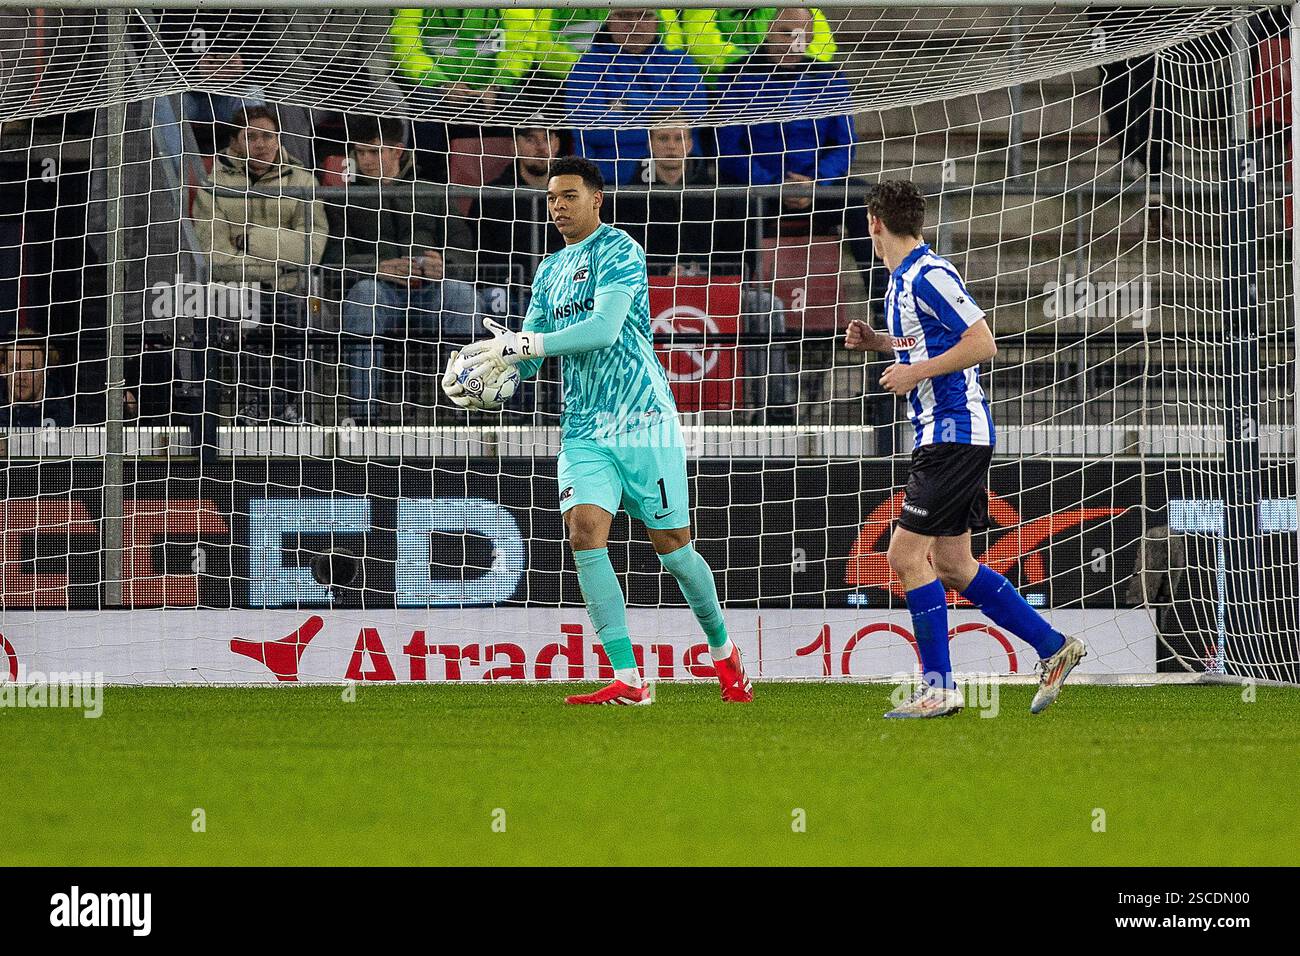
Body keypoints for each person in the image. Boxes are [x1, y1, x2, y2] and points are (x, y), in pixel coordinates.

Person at [446, 156, 752, 706]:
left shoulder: (621, 251)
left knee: (674, 550)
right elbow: (533, 356)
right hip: (585, 426)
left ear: (596, 199)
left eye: (568, 196)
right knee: (584, 532)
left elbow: (605, 330)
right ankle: (630, 678)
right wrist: (492, 370)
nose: (557, 206)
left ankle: (725, 653)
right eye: (551, 199)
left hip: (643, 421)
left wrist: (527, 346)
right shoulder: (548, 271)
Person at [843, 180, 1087, 718]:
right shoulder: (902, 281)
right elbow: (927, 340)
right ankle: (1055, 647)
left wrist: (914, 374)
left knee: (903, 555)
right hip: (947, 435)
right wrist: (878, 343)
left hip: (952, 434)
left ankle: (939, 687)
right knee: (954, 564)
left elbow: (981, 342)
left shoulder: (928, 274)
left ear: (874, 223)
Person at [616, 118, 795, 418]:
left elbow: (744, 254)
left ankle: (776, 411)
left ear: (690, 144)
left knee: (767, 307)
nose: (671, 146)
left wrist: (709, 274)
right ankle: (626, 411)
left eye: (677, 138)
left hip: (715, 291)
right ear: (650, 144)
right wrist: (661, 273)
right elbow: (620, 256)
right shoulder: (626, 195)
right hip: (647, 295)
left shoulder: (721, 192)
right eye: (663, 139)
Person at [326, 115, 476, 425]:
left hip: (431, 290)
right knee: (364, 296)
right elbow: (333, 260)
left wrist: (444, 265)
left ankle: (467, 410)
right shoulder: (344, 199)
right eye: (361, 152)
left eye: (375, 152)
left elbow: (465, 251)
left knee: (463, 296)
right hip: (381, 291)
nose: (366, 160)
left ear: (397, 151)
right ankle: (364, 416)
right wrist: (376, 268)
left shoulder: (433, 191)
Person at [191, 105, 328, 424]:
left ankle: (288, 404)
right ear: (236, 142)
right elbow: (215, 253)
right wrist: (276, 266)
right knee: (249, 310)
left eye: (269, 136)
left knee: (307, 313)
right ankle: (256, 403)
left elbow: (313, 245)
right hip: (236, 286)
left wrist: (251, 240)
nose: (262, 144)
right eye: (252, 137)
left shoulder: (303, 180)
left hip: (294, 287)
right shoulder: (213, 184)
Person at [565, 9, 708, 187]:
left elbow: (696, 114)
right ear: (608, 21)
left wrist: (628, 103)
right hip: (610, 183)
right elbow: (591, 128)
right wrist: (665, 116)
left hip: (683, 180)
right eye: (624, 16)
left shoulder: (681, 63)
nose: (635, 24)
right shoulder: (586, 67)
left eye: (645, 15)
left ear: (657, 22)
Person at [467, 124, 567, 316]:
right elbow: (480, 255)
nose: (540, 147)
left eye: (546, 139)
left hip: (562, 289)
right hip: (508, 289)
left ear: (556, 145)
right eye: (530, 140)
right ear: (514, 147)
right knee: (491, 299)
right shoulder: (492, 195)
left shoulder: (573, 194)